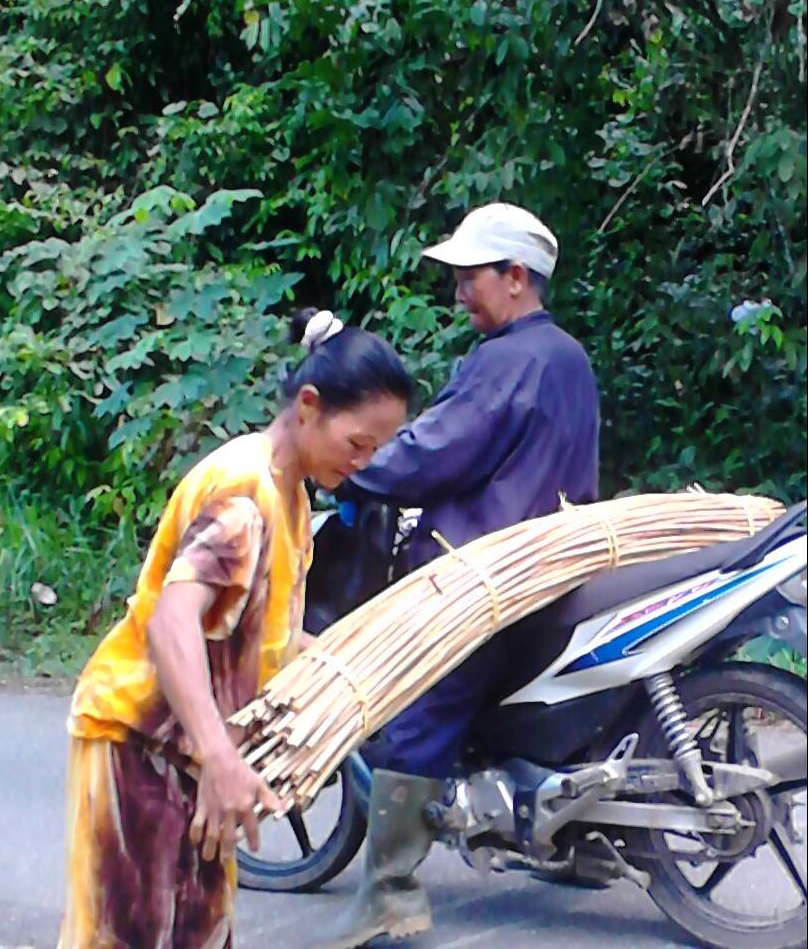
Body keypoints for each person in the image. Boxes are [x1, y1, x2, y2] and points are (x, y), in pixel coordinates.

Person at [57, 309, 413, 949]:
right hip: (142, 743)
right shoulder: (245, 497)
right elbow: (172, 625)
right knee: (129, 934)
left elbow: (265, 637)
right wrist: (220, 758)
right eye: (356, 443)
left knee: (198, 931)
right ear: (309, 406)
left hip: (190, 752)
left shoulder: (292, 495)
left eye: (377, 451)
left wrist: (352, 667)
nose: (363, 463)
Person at [314, 202, 601, 949]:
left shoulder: (506, 361)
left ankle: (390, 895)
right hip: (551, 570)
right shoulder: (566, 355)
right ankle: (567, 848)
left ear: (515, 278)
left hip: (484, 579)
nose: (458, 294)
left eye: (469, 278)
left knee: (418, 720)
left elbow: (434, 450)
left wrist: (350, 467)